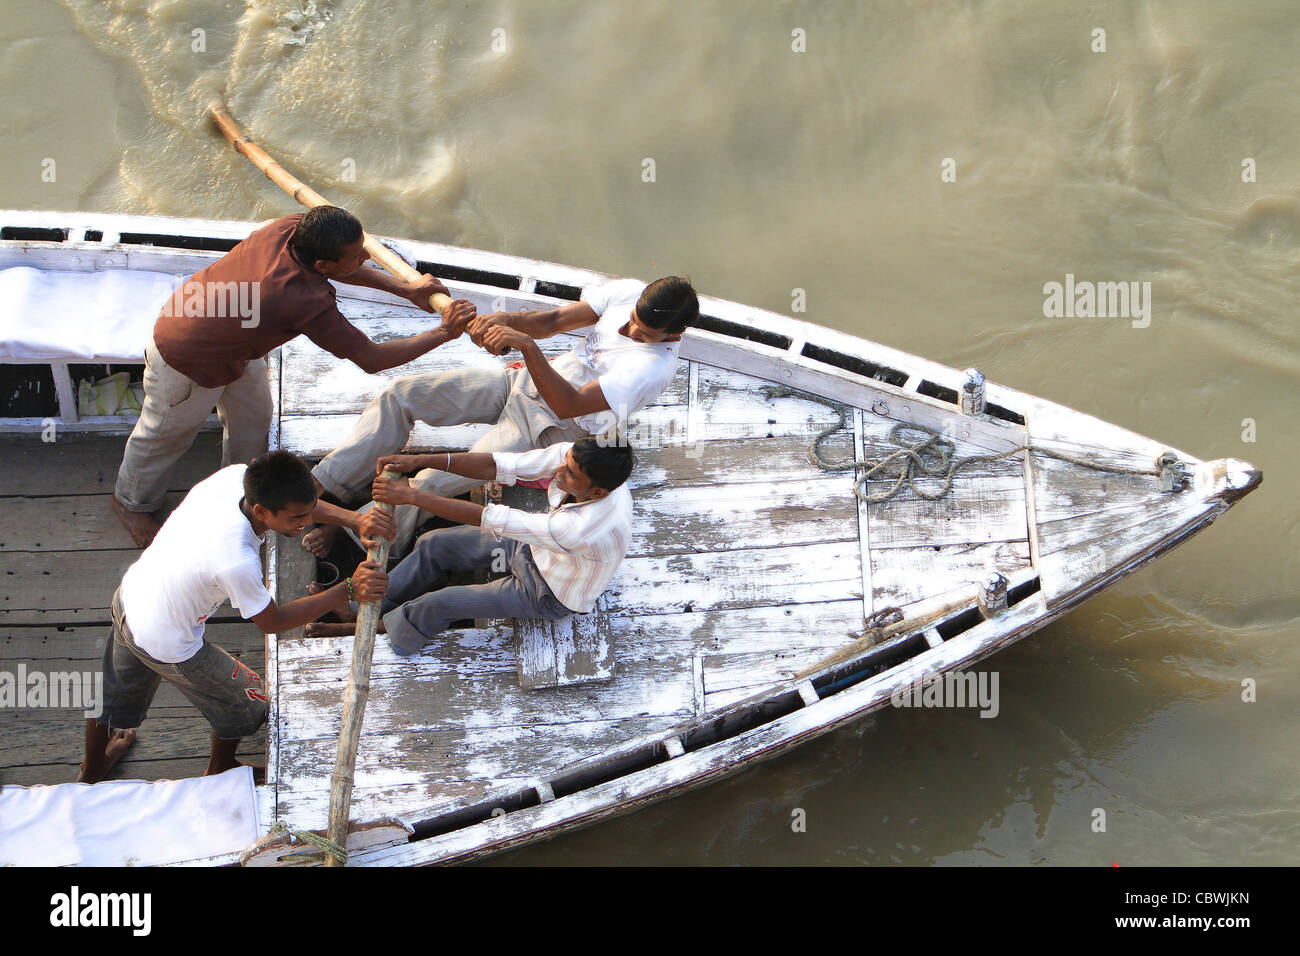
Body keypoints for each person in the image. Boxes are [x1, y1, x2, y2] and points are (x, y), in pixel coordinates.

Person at [113, 205, 476, 548]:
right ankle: (130, 503)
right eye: (358, 256)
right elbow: (371, 358)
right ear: (321, 264)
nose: (366, 259)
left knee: (254, 422)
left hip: (235, 340)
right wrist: (444, 333)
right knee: (164, 434)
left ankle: (240, 495)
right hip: (186, 354)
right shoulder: (303, 299)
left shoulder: (291, 227)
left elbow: (344, 265)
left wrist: (403, 288)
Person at [304, 275, 695, 557]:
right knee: (402, 394)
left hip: (554, 424)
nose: (628, 331)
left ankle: (359, 532)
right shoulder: (628, 291)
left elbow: (568, 404)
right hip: (526, 383)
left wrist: (524, 345)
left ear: (672, 337)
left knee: (434, 480)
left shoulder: (651, 368)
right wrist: (507, 322)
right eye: (630, 319)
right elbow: (556, 321)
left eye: (642, 334)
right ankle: (323, 486)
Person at [80, 450, 391, 784]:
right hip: (168, 640)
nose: (305, 524)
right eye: (295, 519)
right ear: (261, 512)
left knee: (112, 696)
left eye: (308, 512)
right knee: (248, 701)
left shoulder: (236, 477)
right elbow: (272, 621)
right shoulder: (238, 561)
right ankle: (221, 767)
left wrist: (354, 519)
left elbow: (302, 503)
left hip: (131, 597)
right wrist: (347, 588)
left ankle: (92, 770)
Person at [304, 438, 634, 659]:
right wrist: (419, 460)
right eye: (565, 462)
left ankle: (380, 627)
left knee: (440, 602)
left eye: (570, 474)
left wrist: (412, 496)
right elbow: (500, 465)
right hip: (534, 547)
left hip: (547, 589)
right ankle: (366, 605)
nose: (559, 471)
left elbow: (491, 517)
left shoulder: (580, 529)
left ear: (596, 493)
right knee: (433, 543)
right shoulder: (580, 464)